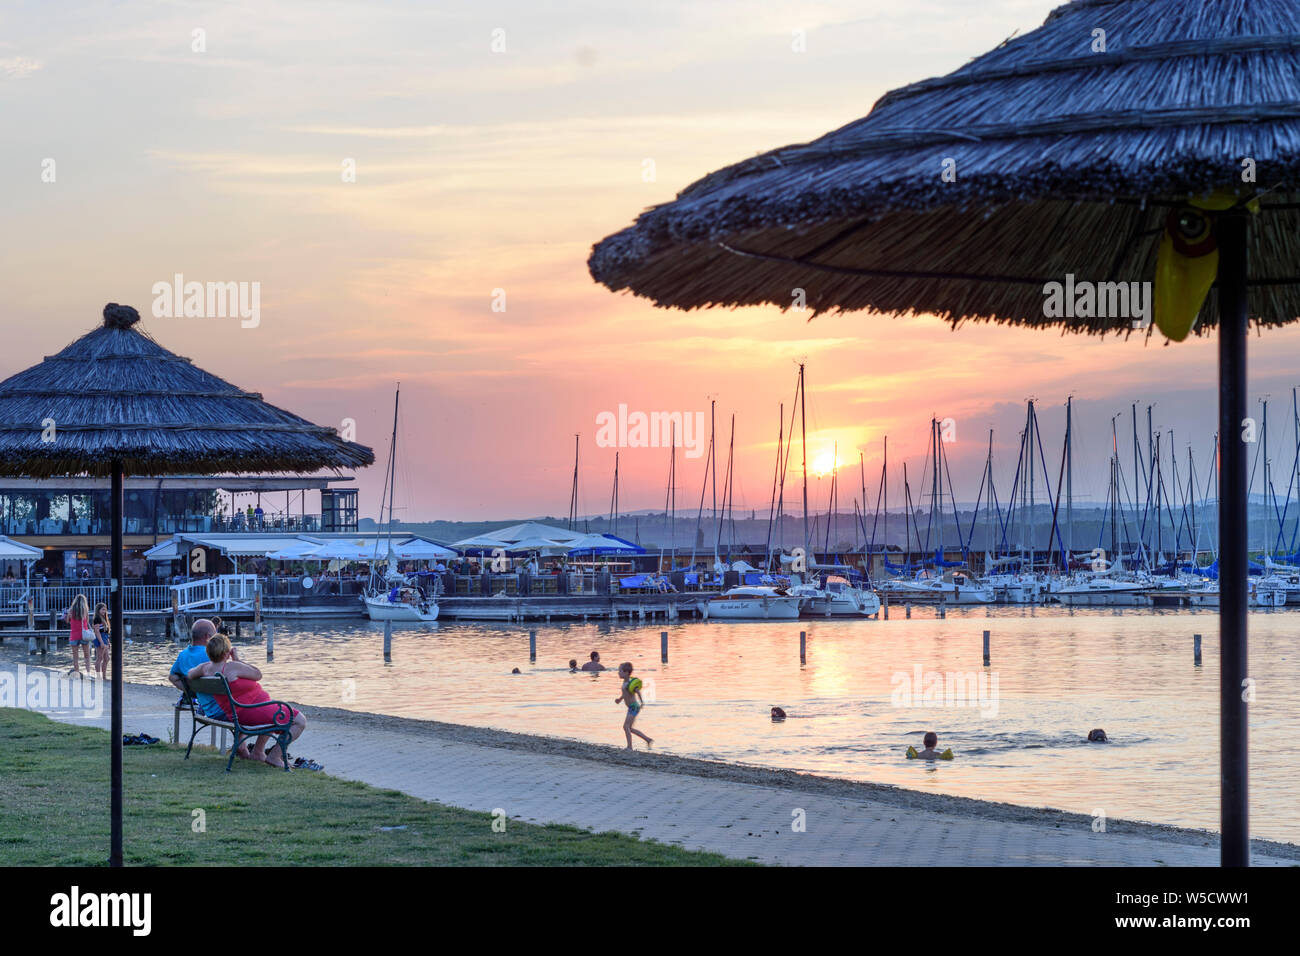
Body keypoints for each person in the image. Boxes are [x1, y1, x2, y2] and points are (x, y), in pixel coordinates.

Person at [188, 633, 307, 769]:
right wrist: (237, 658)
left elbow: (190, 674)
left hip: (237, 713)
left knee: (271, 709)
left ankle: (257, 752)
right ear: (227, 652)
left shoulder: (205, 668)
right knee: (299, 720)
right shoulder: (232, 667)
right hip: (249, 711)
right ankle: (275, 756)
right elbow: (258, 674)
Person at [167, 619, 246, 749]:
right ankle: (243, 749)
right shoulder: (211, 655)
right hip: (224, 708)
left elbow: (172, 677)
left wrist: (194, 692)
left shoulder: (183, 655)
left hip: (204, 707)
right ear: (208, 637)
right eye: (215, 635)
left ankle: (242, 749)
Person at [614, 662, 652, 750]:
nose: (618, 673)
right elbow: (625, 693)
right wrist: (620, 699)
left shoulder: (630, 683)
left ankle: (630, 747)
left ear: (626, 672)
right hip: (631, 707)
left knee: (626, 727)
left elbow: (637, 691)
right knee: (629, 728)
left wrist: (642, 701)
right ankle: (648, 739)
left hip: (634, 707)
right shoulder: (625, 682)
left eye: (620, 671)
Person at [67, 594, 92, 675]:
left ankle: (77, 672)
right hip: (84, 635)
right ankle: (88, 673)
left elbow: (68, 621)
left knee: (75, 656)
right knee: (87, 655)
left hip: (74, 635)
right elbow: (87, 622)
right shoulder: (85, 611)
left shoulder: (71, 611)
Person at [91, 602, 111, 680]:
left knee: (107, 658)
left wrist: (108, 642)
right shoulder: (97, 619)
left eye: (105, 610)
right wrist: (102, 642)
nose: (104, 611)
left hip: (105, 639)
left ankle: (104, 676)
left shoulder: (104, 618)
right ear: (98, 610)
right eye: (102, 610)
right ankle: (99, 677)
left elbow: (105, 632)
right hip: (100, 639)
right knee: (99, 658)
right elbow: (97, 631)